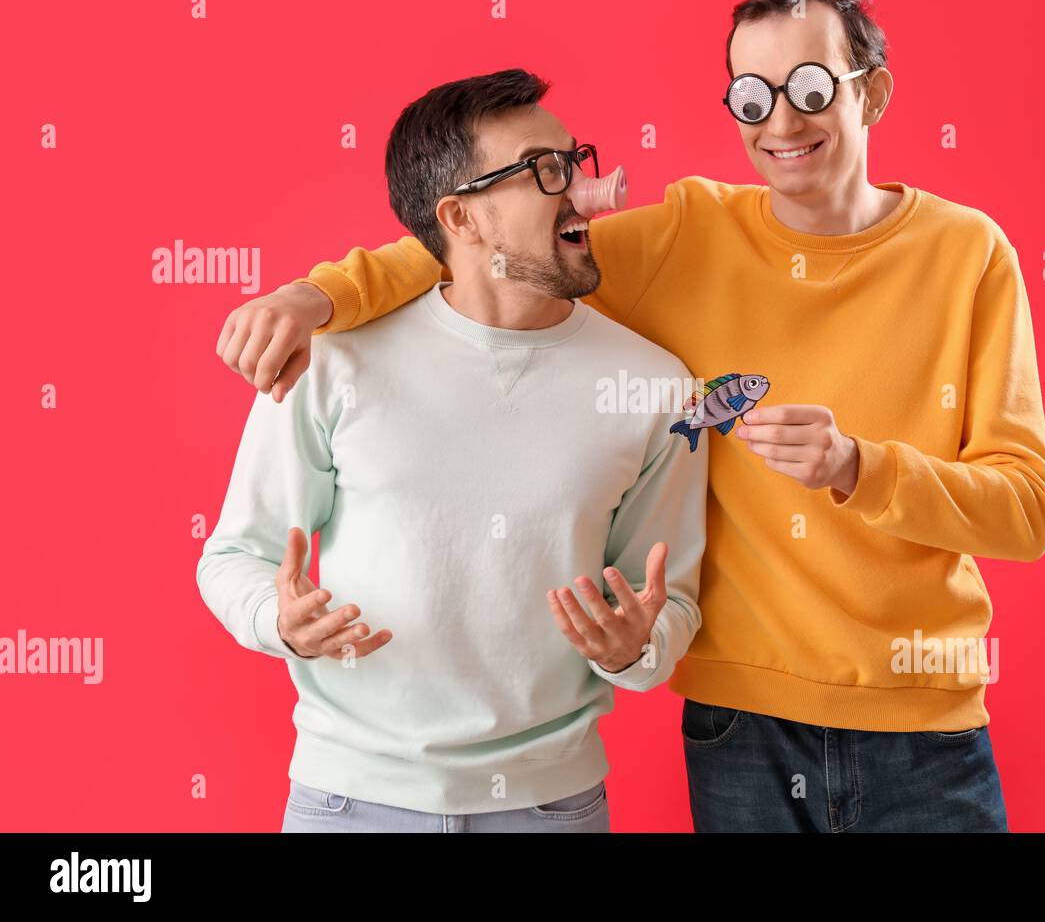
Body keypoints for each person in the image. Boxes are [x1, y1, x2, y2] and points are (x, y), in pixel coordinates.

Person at [214, 0, 1045, 832]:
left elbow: (1028, 513)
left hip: (923, 724)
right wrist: (315, 297)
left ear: (870, 89)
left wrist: (858, 468)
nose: (781, 123)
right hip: (742, 725)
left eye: (810, 88)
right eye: (751, 97)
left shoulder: (968, 255)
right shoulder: (690, 236)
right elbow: (485, 254)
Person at [196, 69, 707, 832]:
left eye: (575, 160)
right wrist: (279, 619)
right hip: (347, 805)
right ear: (460, 219)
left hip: (552, 808)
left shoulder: (655, 388)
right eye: (545, 170)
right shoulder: (331, 360)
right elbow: (232, 557)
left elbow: (671, 602)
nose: (585, 191)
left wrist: (638, 646)